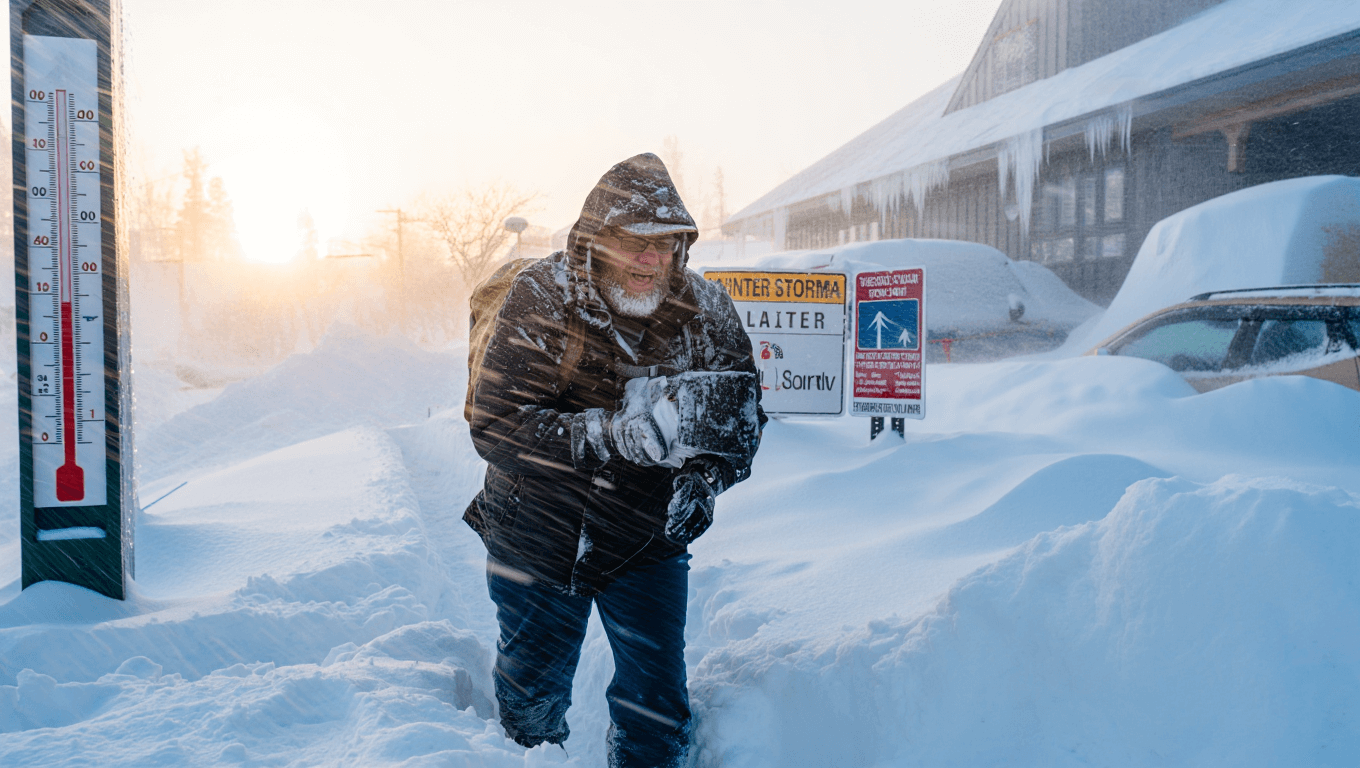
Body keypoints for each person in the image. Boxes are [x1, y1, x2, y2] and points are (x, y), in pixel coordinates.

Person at [464, 153, 765, 766]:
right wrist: (609, 435)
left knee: (655, 703)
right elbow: (495, 425)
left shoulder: (704, 311)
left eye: (666, 243)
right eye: (633, 242)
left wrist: (706, 478)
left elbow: (739, 416)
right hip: (536, 532)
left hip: (644, 537)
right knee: (533, 694)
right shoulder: (541, 298)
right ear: (596, 242)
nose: (649, 259)